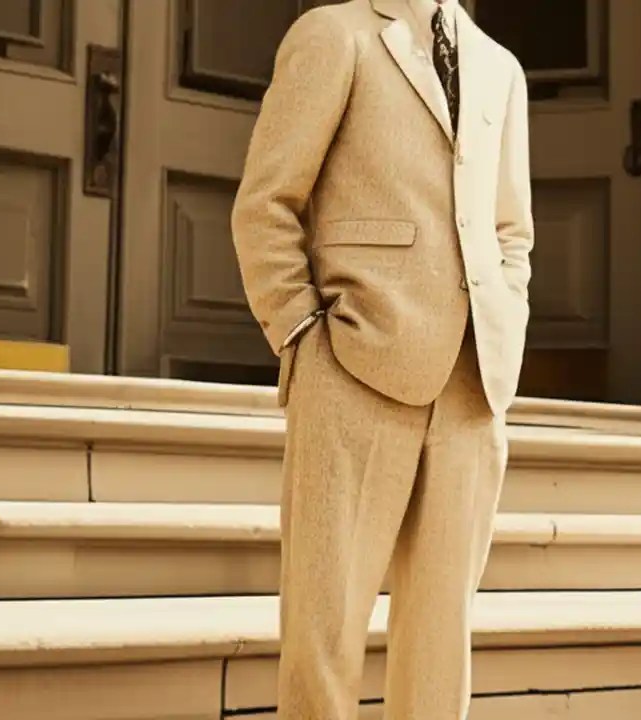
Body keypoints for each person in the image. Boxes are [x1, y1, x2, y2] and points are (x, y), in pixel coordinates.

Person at [230, 0, 533, 716]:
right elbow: (267, 203)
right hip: (353, 367)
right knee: (324, 629)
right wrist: (301, 331)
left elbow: (511, 231)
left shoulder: (500, 68)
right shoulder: (333, 36)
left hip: (471, 388)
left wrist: (506, 317)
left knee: (439, 639)